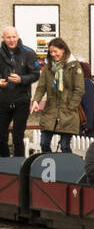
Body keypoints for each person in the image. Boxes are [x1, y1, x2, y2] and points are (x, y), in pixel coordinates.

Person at [30, 38, 84, 154]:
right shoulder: (48, 67)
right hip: (50, 111)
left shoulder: (74, 66)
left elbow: (79, 90)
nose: (53, 55)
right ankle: (50, 164)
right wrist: (36, 101)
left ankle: (67, 169)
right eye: (51, 52)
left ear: (63, 50)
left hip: (68, 112)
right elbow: (41, 87)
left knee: (65, 146)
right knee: (44, 143)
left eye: (55, 51)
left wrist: (71, 106)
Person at [1, 27, 41, 158]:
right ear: (3, 38)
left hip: (21, 101)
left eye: (14, 37)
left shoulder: (28, 52)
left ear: (18, 36)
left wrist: (21, 79)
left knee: (18, 137)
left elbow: (36, 75)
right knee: (1, 137)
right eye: (8, 37)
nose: (12, 40)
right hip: (2, 100)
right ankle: (4, 168)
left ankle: (19, 167)